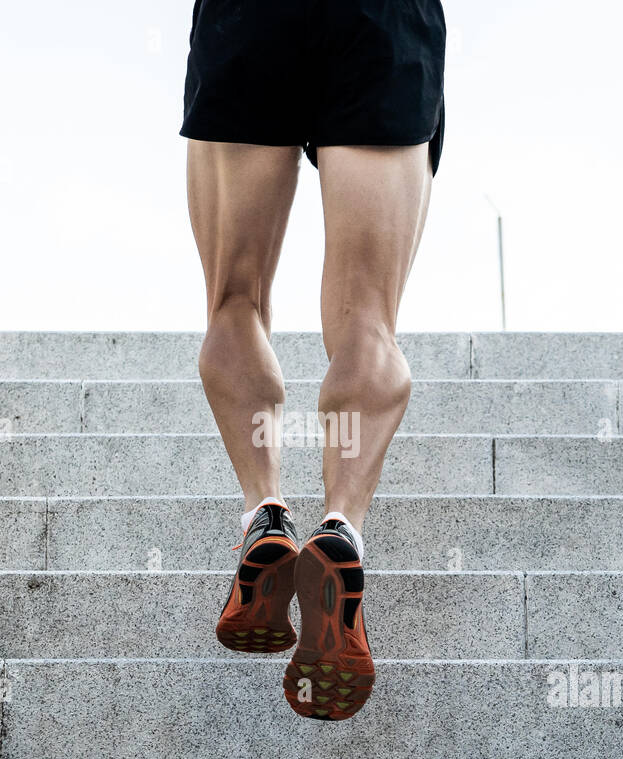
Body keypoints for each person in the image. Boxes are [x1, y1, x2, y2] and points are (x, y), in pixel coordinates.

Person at [181, 0, 446, 720]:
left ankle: (266, 516)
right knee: (368, 321)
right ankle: (340, 529)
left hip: (250, 18)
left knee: (235, 301)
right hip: (379, 19)